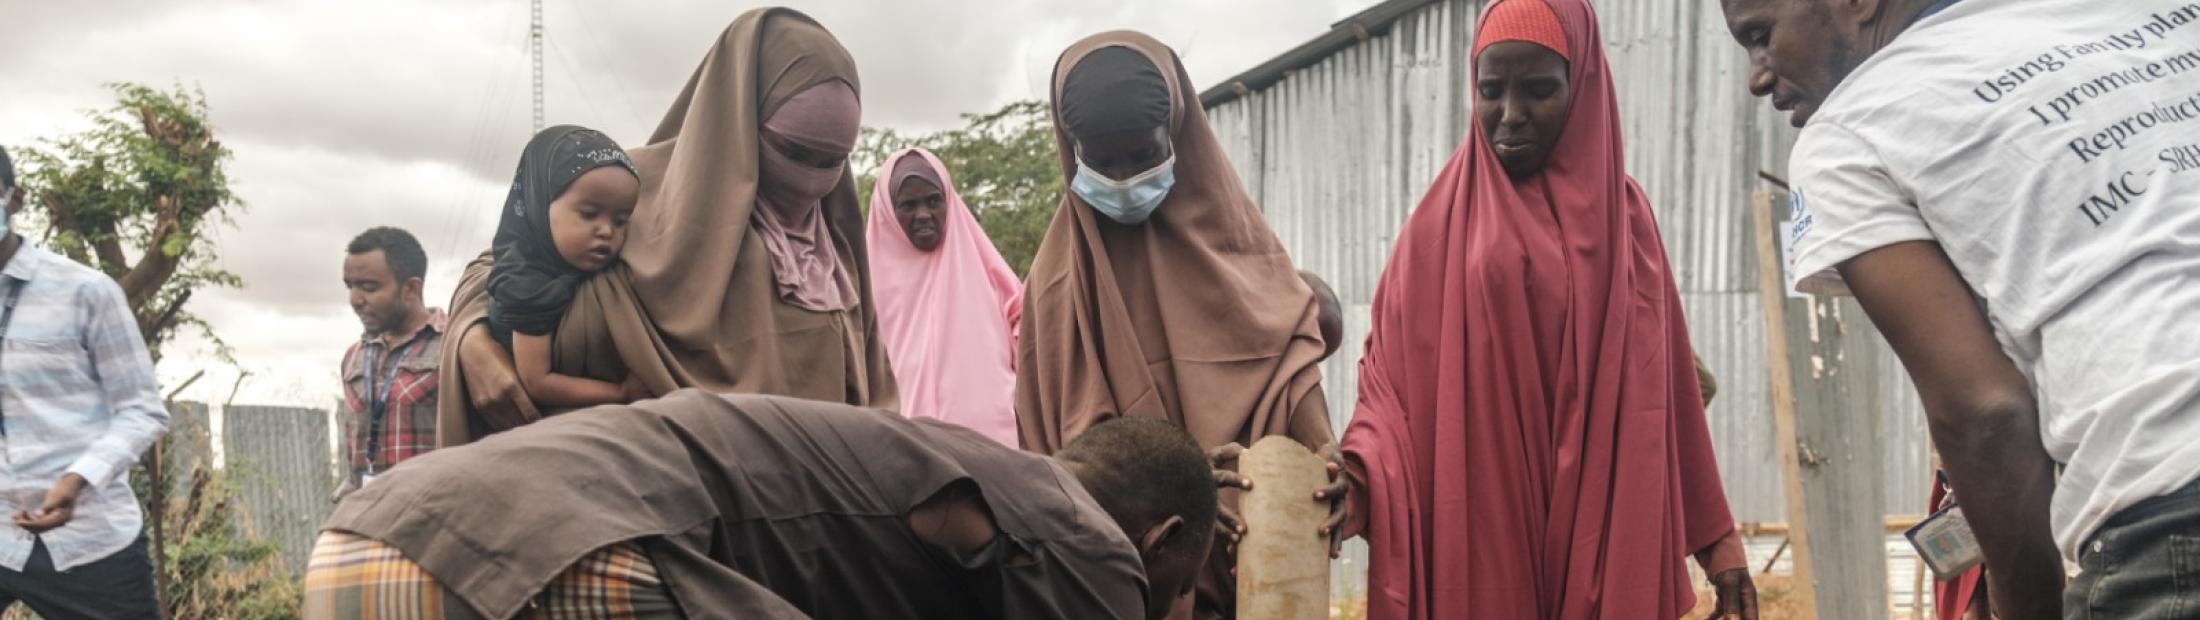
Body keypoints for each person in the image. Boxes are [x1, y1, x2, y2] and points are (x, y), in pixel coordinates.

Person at [1719, 0, 2200, 615]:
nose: (1758, 75)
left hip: (2170, 503)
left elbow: (1986, 413)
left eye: (1761, 37)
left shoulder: (1852, 127)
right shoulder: (2158, 16)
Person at [1331, 1, 1753, 618]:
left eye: (1537, 90)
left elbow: (1664, 395)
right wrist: (1357, 483)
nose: (1510, 115)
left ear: (1581, 86)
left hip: (1604, 531)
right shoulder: (1435, 232)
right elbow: (1390, 401)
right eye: (1490, 90)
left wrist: (1719, 543)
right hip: (1480, 533)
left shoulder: (1625, 222)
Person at [305, 391, 1214, 620]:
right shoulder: (1088, 541)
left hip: (371, 539)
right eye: (1183, 594)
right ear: (1161, 543)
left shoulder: (980, 473)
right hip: (544, 547)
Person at [438, 7, 896, 445]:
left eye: (832, 161)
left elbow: (872, 402)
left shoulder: (837, 257)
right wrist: (473, 342)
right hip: (634, 490)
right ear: (738, 117)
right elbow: (503, 260)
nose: (810, 179)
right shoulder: (630, 195)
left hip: (799, 501)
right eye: (793, 152)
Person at [1018, 31, 1342, 619]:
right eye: (1100, 158)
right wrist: (1183, 486)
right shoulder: (1057, 286)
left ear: (1179, 136)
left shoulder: (1237, 243)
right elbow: (1062, 455)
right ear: (1073, 151)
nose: (1121, 177)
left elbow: (1289, 351)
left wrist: (1325, 448)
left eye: (1143, 154)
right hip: (1134, 576)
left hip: (1259, 565)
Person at [0, 145, 170, 618]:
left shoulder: (86, 291)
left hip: (90, 540)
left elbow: (142, 409)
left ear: (15, 200)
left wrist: (79, 478)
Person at [865, 147, 1022, 445]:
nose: (924, 214)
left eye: (934, 201)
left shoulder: (985, 267)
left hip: (997, 447)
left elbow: (1027, 328)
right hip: (905, 450)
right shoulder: (865, 287)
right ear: (888, 211)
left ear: (948, 200)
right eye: (909, 205)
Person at [485, 125, 647, 409]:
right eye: (589, 214)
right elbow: (537, 381)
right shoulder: (526, 285)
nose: (606, 231)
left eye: (620, 220)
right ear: (541, 204)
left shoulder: (573, 267)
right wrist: (621, 393)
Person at [338, 227, 447, 499]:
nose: (355, 300)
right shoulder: (354, 357)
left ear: (411, 288)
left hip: (432, 519)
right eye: (350, 286)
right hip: (367, 516)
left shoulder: (455, 346)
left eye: (369, 287)